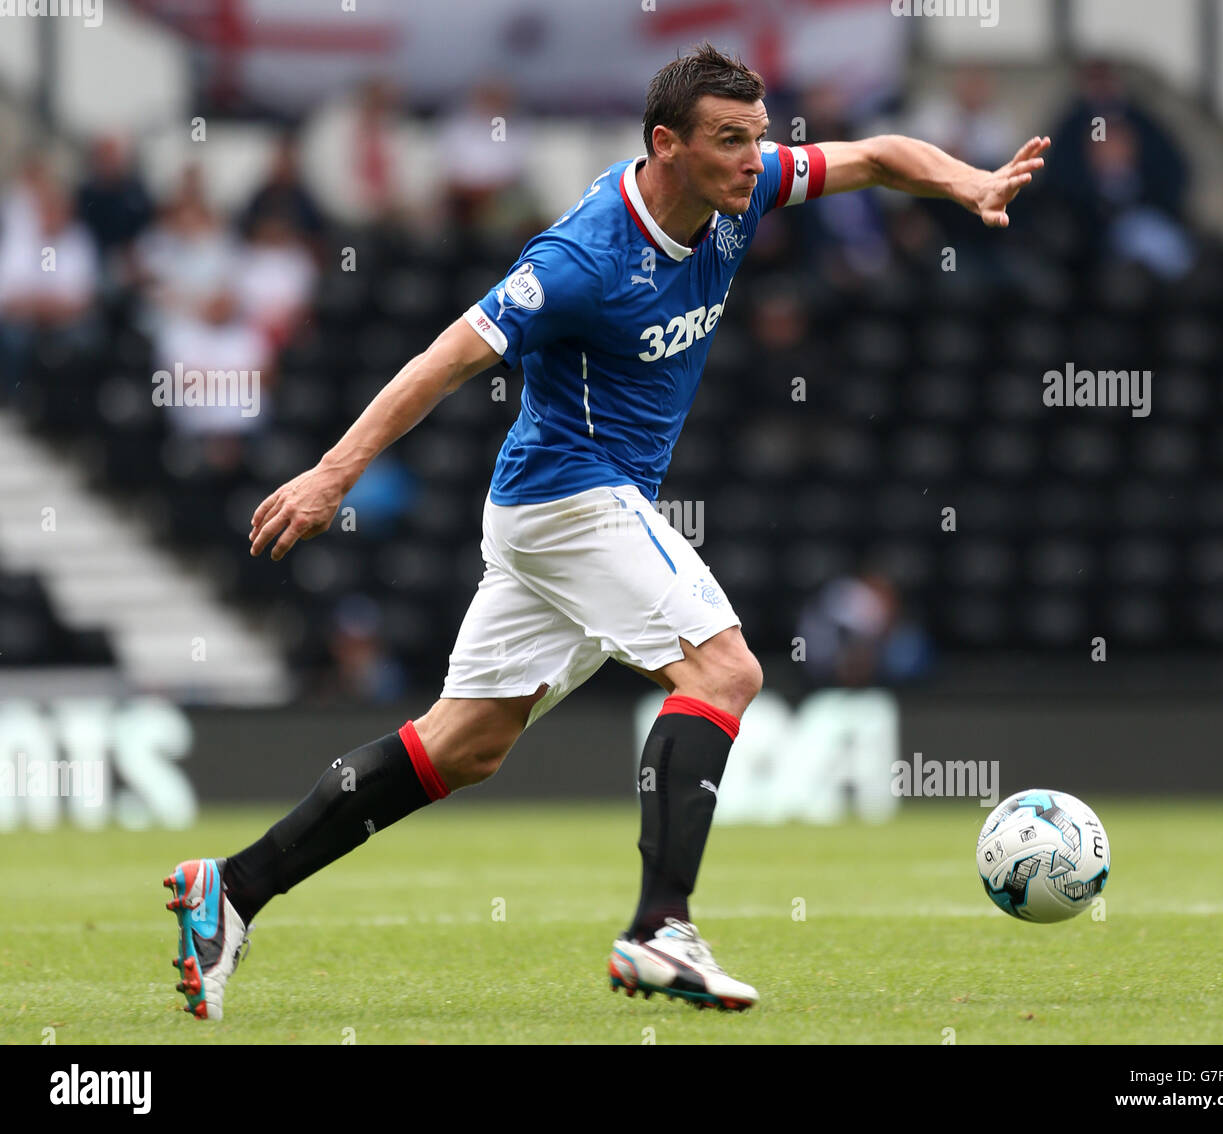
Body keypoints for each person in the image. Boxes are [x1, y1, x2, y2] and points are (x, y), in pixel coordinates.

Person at [164, 42, 1048, 1019]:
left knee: (461, 747)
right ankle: (659, 927)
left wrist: (967, 180)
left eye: (758, 136)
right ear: (664, 143)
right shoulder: (582, 258)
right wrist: (333, 475)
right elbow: (443, 358)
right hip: (568, 499)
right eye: (729, 140)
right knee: (725, 671)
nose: (755, 158)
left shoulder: (740, 192)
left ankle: (232, 889)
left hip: (558, 510)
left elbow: (876, 155)